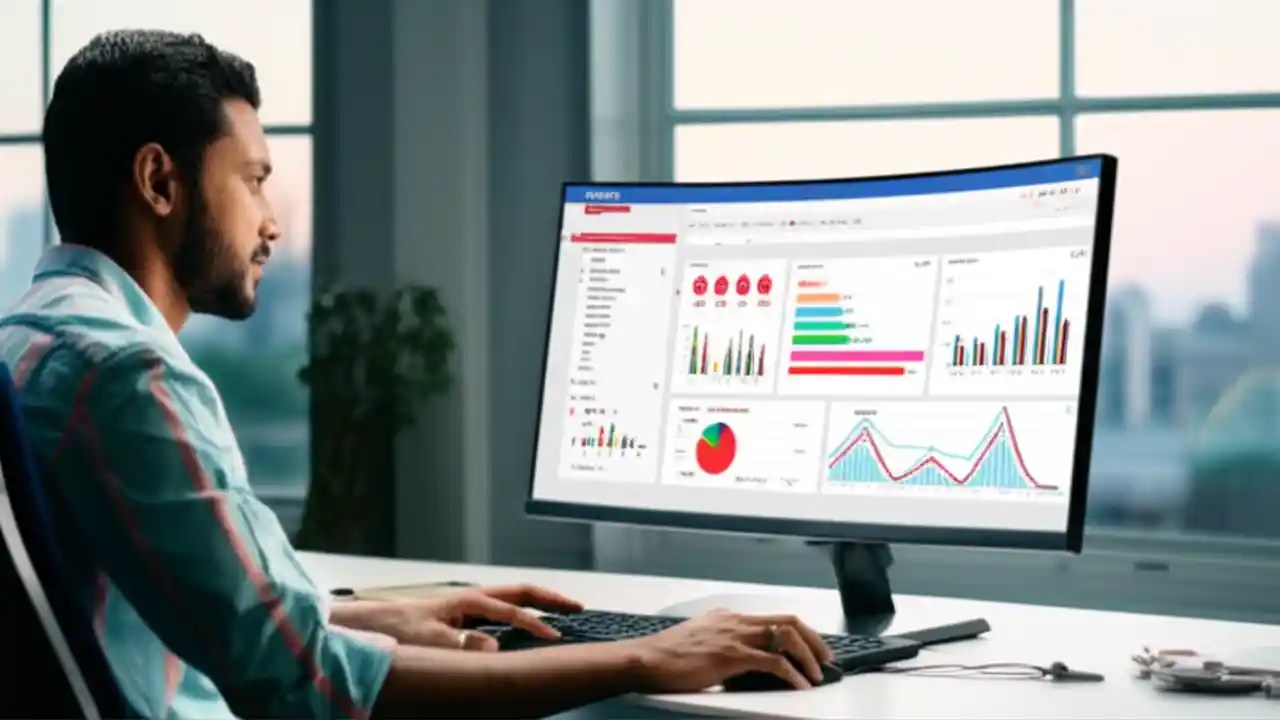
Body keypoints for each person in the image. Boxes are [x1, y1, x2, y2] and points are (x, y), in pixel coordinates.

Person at [0, 29, 833, 719]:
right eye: (252, 180)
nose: (273, 219)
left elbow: (191, 606)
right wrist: (644, 656)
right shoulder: (133, 375)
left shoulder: (31, 344)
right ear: (159, 182)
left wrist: (358, 616)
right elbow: (303, 683)